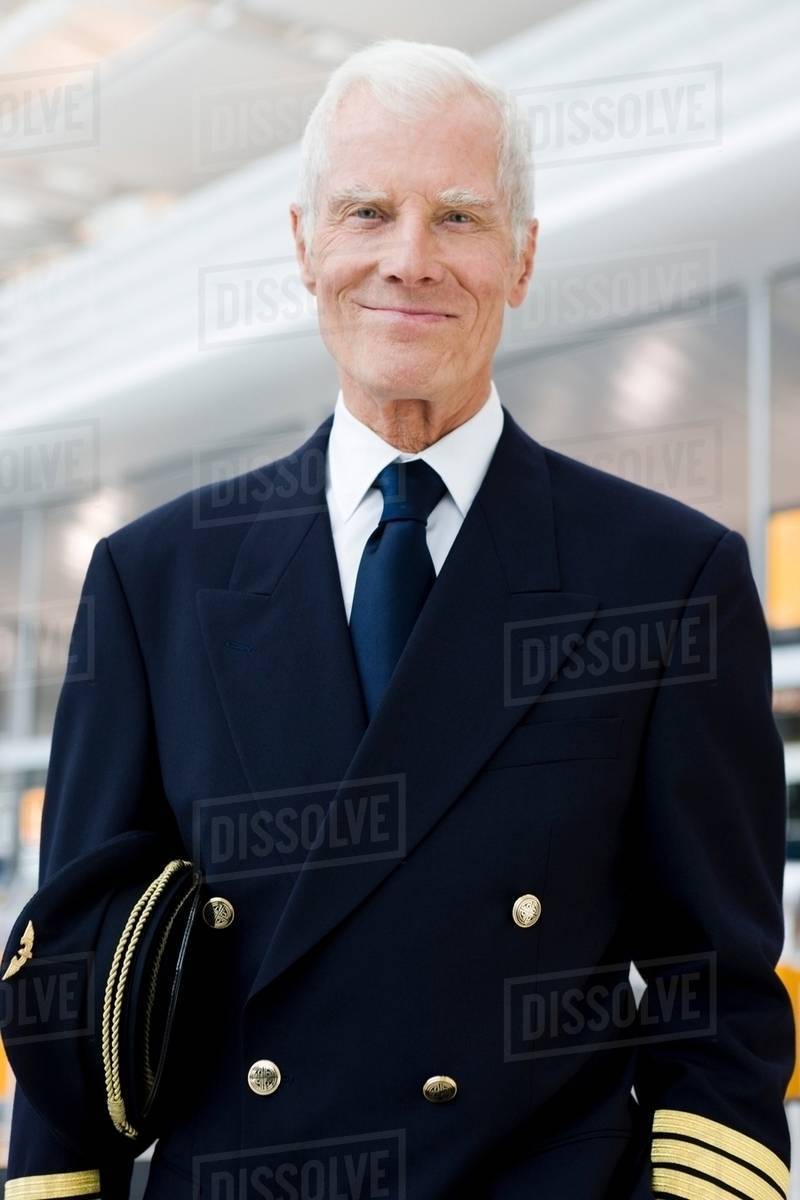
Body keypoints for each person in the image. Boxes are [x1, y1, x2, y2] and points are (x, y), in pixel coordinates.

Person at [4, 38, 793, 1200]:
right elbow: (79, 979)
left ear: (521, 258)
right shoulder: (151, 580)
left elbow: (713, 995)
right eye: (367, 212)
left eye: (460, 219)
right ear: (304, 246)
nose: (408, 261)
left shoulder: (668, 578)